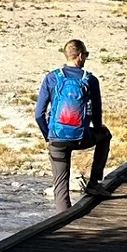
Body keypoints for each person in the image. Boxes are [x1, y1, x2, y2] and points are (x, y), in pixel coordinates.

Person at [35, 39, 112, 212]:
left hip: (56, 139)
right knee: (105, 135)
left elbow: (39, 114)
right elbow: (97, 114)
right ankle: (94, 182)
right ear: (79, 57)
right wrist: (96, 128)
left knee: (60, 188)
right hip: (81, 137)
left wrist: (49, 135)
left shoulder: (51, 78)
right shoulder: (90, 80)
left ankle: (63, 225)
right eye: (86, 55)